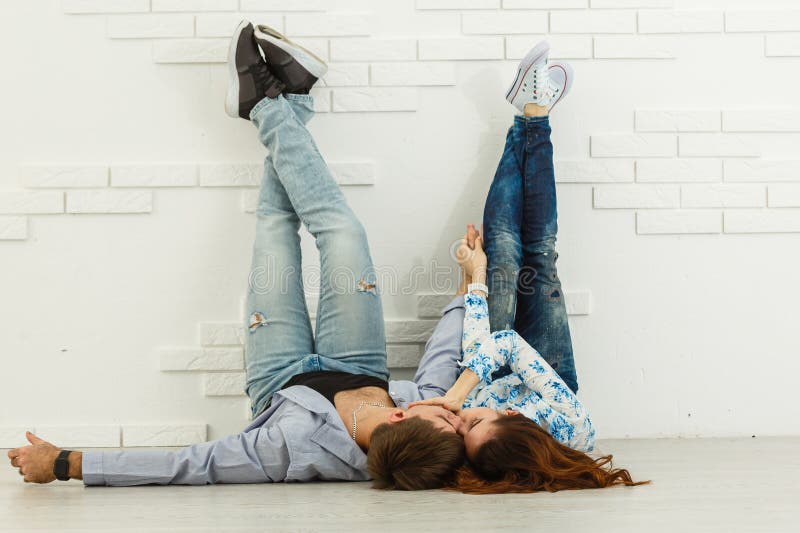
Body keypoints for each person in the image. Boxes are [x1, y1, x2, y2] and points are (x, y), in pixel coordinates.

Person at [5, 20, 474, 489]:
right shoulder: (424, 418)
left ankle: (279, 103)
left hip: (280, 375)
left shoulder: (288, 448)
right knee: (344, 233)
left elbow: (190, 464)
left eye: (448, 418)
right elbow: (443, 358)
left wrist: (66, 463)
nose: (454, 412)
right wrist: (468, 284)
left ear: (399, 418)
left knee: (276, 228)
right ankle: (278, 104)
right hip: (359, 364)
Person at [371, 42, 647, 493]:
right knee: (539, 252)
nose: (460, 419)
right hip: (548, 373)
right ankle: (532, 114)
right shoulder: (574, 432)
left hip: (488, 370)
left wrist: (476, 278)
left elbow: (480, 347)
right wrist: (460, 395)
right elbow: (506, 346)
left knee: (500, 250)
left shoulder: (474, 440)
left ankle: (533, 114)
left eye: (459, 426)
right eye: (470, 423)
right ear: (512, 417)